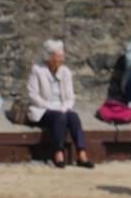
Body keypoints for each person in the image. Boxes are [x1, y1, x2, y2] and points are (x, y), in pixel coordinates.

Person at [26, 39, 94, 169]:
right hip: (43, 110)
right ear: (50, 58)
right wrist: (50, 106)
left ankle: (81, 152)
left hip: (61, 108)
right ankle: (59, 151)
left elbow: (70, 96)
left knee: (73, 117)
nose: (62, 59)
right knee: (59, 117)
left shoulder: (65, 72)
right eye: (58, 57)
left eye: (62, 56)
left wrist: (64, 107)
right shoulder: (37, 70)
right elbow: (32, 94)